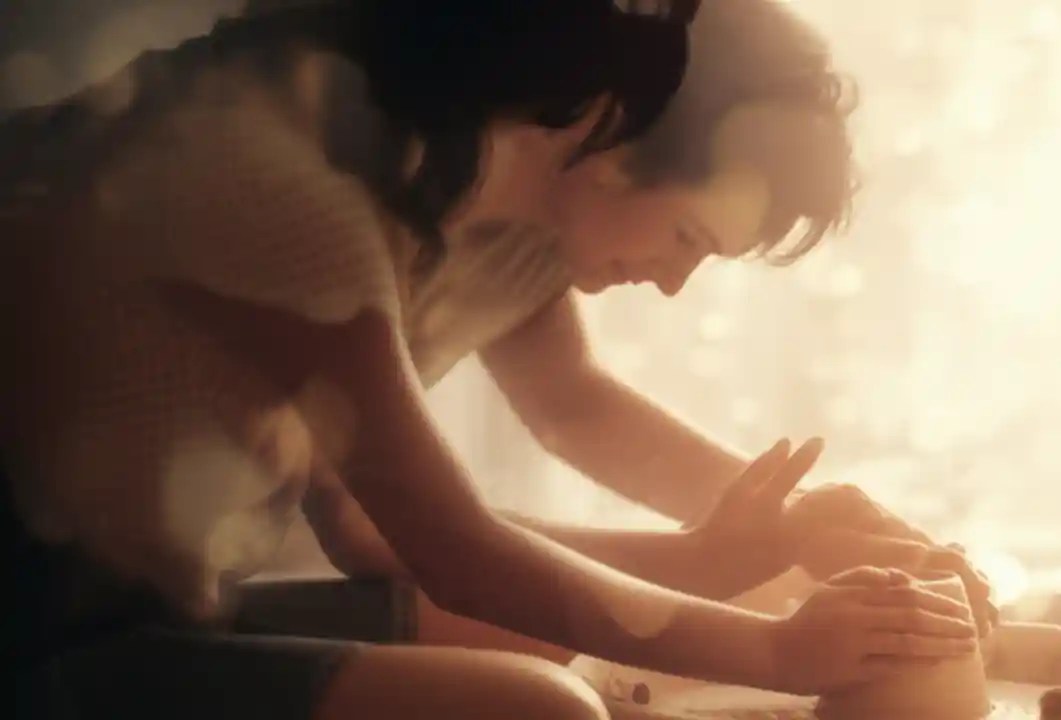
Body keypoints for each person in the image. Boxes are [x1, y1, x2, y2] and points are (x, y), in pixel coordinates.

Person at [2, 1, 992, 718]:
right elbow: (445, 547)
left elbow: (419, 494)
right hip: (48, 635)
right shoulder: (290, 195)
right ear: (621, 131)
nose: (673, 286)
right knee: (543, 707)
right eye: (689, 239)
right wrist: (777, 647)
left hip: (173, 602)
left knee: (599, 642)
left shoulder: (457, 208)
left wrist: (736, 553)